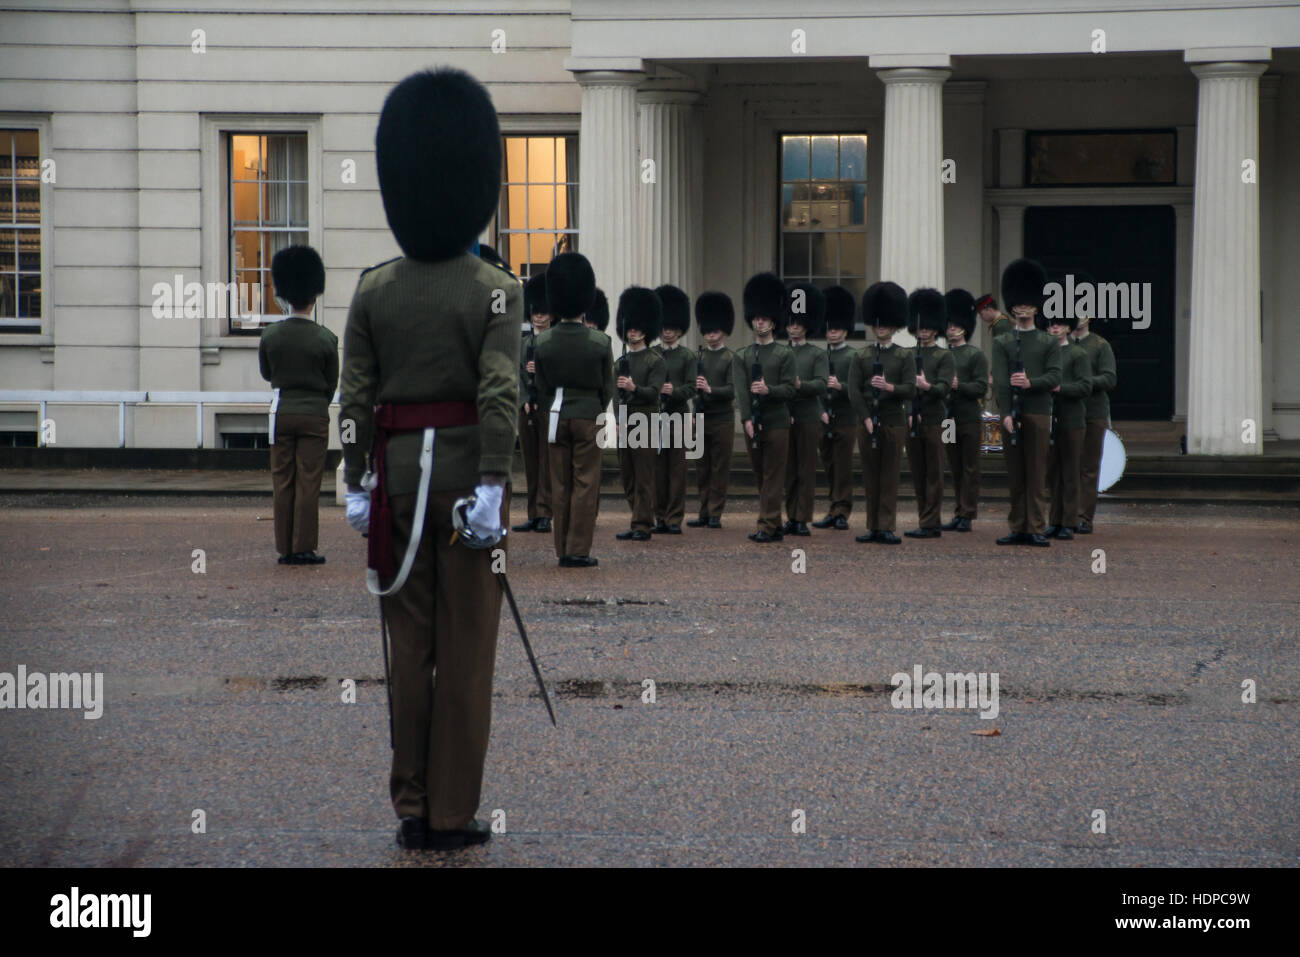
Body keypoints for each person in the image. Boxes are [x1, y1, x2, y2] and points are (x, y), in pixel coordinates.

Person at [339, 68, 518, 850]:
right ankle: (451, 810)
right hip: (463, 481)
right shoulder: (495, 289)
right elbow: (499, 393)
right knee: (468, 648)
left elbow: (354, 397)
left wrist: (351, 480)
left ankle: (411, 800)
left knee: (407, 645)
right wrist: (491, 485)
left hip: (398, 476)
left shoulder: (374, 290)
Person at [259, 245, 337, 566]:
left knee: (283, 482)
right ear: (313, 297)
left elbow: (267, 373)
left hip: (281, 413)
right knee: (308, 482)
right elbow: (331, 381)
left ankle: (284, 548)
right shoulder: (326, 338)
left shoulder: (271, 335)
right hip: (314, 414)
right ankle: (303, 546)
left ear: (285, 295)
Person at [534, 252, 614, 567]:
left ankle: (561, 548)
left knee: (559, 482)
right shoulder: (599, 341)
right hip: (589, 414)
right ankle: (578, 549)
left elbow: (541, 386)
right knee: (586, 482)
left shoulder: (543, 343)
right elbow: (607, 387)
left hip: (556, 415)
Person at [991, 258, 1061, 547]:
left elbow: (1055, 376)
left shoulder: (1047, 342)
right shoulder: (1003, 341)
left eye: (1027, 303)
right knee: (1016, 474)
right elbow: (1001, 379)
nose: (1022, 308)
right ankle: (1018, 525)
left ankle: (1036, 526)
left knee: (1035, 472)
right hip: (1013, 415)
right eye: (1018, 304)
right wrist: (1005, 413)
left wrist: (1031, 383)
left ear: (1036, 306)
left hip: (1039, 411)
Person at [848, 281, 914, 545]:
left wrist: (889, 387)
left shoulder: (903, 356)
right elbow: (853, 390)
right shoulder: (862, 356)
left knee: (889, 476)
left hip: (893, 421)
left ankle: (886, 525)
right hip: (867, 422)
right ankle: (872, 525)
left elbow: (910, 389)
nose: (881, 327)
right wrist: (865, 417)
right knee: (870, 476)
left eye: (886, 323)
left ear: (894, 325)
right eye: (877, 323)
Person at [733, 272, 797, 543]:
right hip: (753, 423)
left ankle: (767, 526)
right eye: (757, 318)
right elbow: (741, 391)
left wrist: (769, 391)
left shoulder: (785, 354)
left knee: (773, 475)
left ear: (773, 321)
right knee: (762, 476)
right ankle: (775, 520)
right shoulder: (743, 355)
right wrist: (746, 419)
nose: (760, 321)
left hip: (777, 422)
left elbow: (790, 389)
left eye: (765, 318)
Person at [614, 287, 665, 542]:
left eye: (636, 327)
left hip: (645, 420)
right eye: (629, 327)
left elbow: (654, 393)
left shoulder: (654, 360)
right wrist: (617, 421)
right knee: (629, 475)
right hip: (626, 423)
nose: (632, 331)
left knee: (644, 475)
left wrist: (634, 388)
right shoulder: (619, 361)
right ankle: (638, 517)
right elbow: (615, 396)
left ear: (645, 329)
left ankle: (643, 524)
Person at [903, 287, 953, 540]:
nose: (923, 331)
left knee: (934, 472)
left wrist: (927, 387)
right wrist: (910, 410)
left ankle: (931, 521)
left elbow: (944, 388)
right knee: (918, 472)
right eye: (920, 327)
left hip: (937, 421)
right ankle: (925, 518)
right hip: (913, 420)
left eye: (928, 327)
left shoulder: (944, 356)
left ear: (935, 328)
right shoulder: (909, 355)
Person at [782, 282, 828, 537]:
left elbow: (822, 384)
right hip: (785, 417)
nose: (794, 326)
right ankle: (791, 515)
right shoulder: (780, 352)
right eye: (790, 322)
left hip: (809, 417)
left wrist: (801, 385)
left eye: (798, 323)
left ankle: (802, 518)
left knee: (805, 469)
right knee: (789, 471)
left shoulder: (816, 355)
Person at [687, 291, 736, 529]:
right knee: (702, 468)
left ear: (723, 331)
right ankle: (704, 510)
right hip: (702, 418)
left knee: (719, 468)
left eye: (714, 331)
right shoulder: (700, 357)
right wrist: (694, 415)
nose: (710, 335)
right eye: (707, 331)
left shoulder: (730, 358)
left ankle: (716, 512)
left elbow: (731, 390)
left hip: (722, 420)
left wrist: (710, 389)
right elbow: (694, 392)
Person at [941, 288, 988, 532]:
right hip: (948, 420)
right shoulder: (942, 355)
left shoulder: (974, 355)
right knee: (955, 466)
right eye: (949, 325)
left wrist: (960, 386)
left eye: (956, 325)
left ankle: (968, 513)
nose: (951, 329)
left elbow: (981, 387)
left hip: (969, 417)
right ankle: (958, 510)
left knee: (970, 466)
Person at [651, 284, 696, 535]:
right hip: (656, 419)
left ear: (679, 330)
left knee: (677, 471)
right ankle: (659, 516)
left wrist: (674, 392)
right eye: (665, 328)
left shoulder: (687, 356)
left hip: (678, 417)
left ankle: (674, 518)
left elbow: (691, 388)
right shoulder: (652, 354)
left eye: (672, 329)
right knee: (658, 471)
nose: (668, 332)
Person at [813, 285, 858, 531]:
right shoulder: (821, 356)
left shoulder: (852, 356)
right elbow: (816, 389)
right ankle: (833, 507)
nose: (832, 333)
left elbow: (859, 391)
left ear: (845, 330)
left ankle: (842, 510)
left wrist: (840, 387)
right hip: (824, 418)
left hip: (846, 418)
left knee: (843, 467)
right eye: (830, 329)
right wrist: (820, 409)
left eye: (837, 329)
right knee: (830, 466)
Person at [1045, 314, 1092, 540]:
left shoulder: (1077, 353)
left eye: (1060, 324)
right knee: (1054, 473)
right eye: (1052, 324)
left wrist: (1060, 388)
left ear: (1067, 328)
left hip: (1072, 419)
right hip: (1051, 419)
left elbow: (1085, 386)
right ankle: (1055, 519)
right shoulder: (1046, 353)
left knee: (1071, 472)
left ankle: (1070, 520)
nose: (1055, 328)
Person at [513, 272, 553, 534]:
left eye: (543, 311)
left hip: (548, 407)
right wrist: (525, 400)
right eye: (535, 311)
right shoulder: (522, 343)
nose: (539, 315)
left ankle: (545, 512)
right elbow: (516, 375)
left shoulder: (554, 341)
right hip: (526, 407)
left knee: (546, 462)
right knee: (530, 462)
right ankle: (532, 512)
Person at [1071, 313, 1117, 534]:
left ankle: (1084, 516)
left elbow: (1109, 378)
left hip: (1093, 412)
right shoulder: (1062, 343)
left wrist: (1084, 383)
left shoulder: (1100, 345)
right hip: (1068, 412)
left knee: (1088, 467)